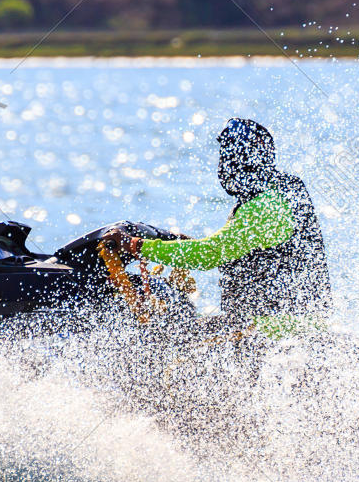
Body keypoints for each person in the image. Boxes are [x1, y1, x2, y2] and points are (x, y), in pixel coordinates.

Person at [108, 119, 332, 338]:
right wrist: (181, 245)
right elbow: (234, 247)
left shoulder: (265, 207)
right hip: (294, 323)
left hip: (275, 329)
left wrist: (135, 245)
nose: (223, 167)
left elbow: (210, 254)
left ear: (242, 162)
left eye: (228, 158)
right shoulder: (280, 192)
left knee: (166, 338)